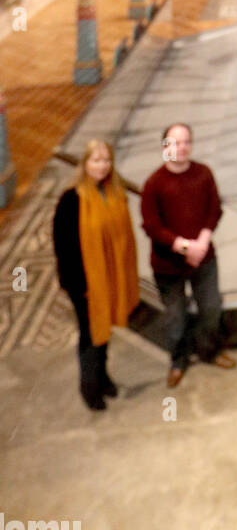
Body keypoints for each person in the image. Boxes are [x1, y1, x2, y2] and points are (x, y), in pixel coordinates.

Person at [140, 123, 236, 386]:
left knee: (211, 308)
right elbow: (152, 226)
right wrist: (184, 247)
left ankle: (210, 351)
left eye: (186, 143)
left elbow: (214, 210)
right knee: (175, 317)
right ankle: (178, 360)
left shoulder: (203, 174)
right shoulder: (154, 184)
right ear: (165, 147)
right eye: (175, 143)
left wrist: (202, 242)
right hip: (168, 265)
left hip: (203, 258)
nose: (181, 148)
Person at [52, 140, 140, 411]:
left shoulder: (114, 193)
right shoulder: (72, 199)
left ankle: (103, 378)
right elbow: (63, 246)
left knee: (105, 331)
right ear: (84, 164)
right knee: (91, 334)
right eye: (96, 160)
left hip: (110, 277)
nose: (102, 166)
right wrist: (78, 285)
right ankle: (89, 387)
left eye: (106, 161)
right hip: (85, 283)